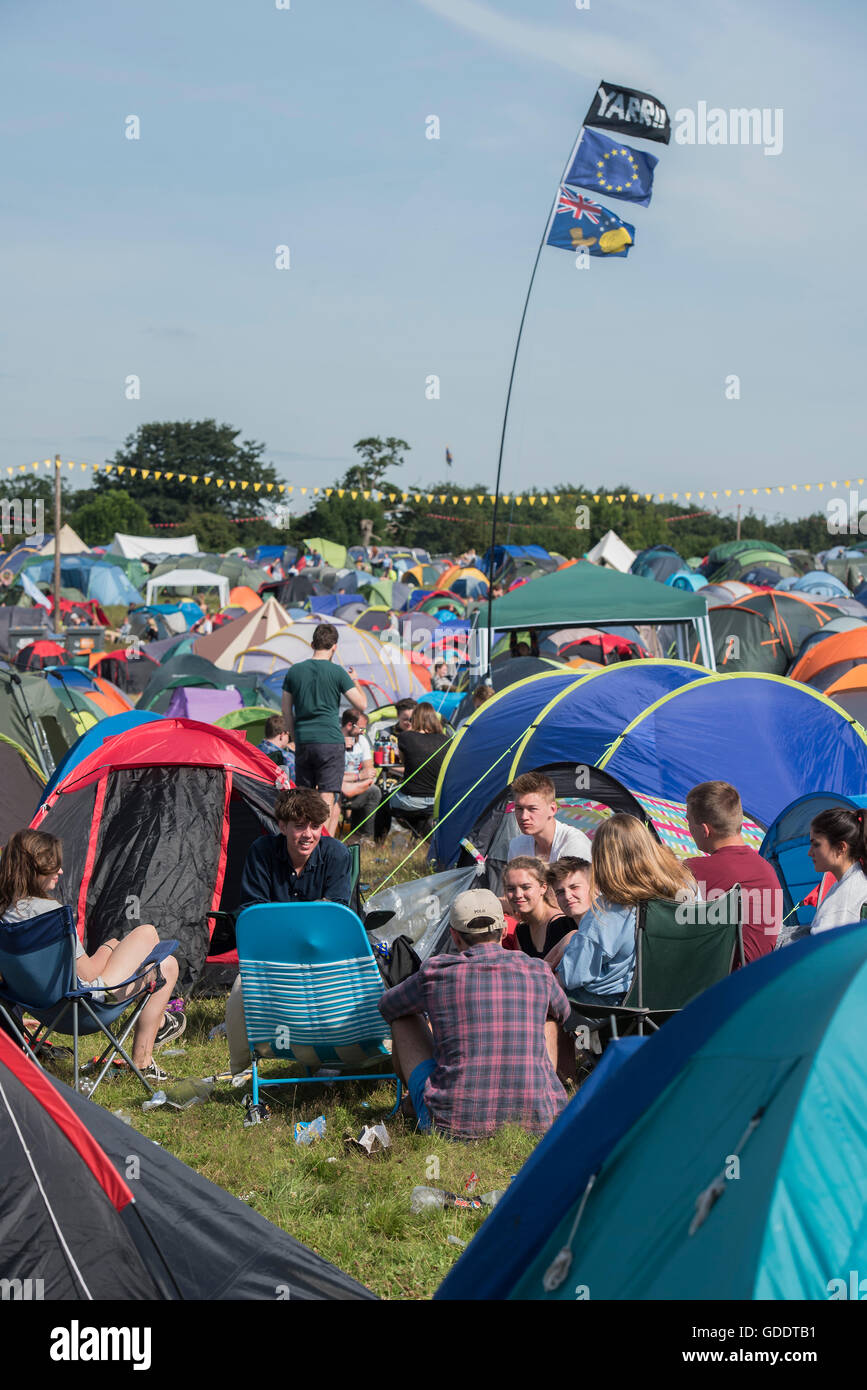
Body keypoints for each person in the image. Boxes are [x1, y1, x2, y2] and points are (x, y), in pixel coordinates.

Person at [378, 889, 571, 1139]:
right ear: (504, 931)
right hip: (538, 1122)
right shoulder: (537, 970)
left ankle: (415, 1104)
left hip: (452, 1124)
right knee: (550, 1017)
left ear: (455, 937)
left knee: (403, 1020)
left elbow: (388, 1007)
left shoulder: (436, 972)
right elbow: (564, 1013)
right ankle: (537, 1101)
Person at [0, 830, 184, 1083]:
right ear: (36, 868)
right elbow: (88, 973)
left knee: (148, 943)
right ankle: (143, 1061)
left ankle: (162, 1024)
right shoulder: (50, 916)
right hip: (84, 1010)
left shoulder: (4, 914)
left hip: (42, 1008)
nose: (61, 871)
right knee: (162, 955)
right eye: (54, 865)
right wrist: (107, 947)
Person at [225, 789, 354, 1074]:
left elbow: (334, 918)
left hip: (323, 958)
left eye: (315, 826)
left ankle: (335, 1057)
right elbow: (252, 914)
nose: (308, 834)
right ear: (282, 826)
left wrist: (285, 919)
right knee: (239, 990)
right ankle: (242, 1070)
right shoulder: (262, 851)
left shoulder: (336, 854)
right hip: (275, 957)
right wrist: (311, 914)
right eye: (299, 825)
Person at [556, 814, 698, 1008]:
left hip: (618, 1006)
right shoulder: (686, 891)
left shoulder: (605, 913)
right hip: (676, 999)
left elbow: (572, 976)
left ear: (603, 861)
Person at [281, 622, 366, 834]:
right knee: (327, 796)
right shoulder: (337, 672)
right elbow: (362, 704)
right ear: (334, 647)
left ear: (312, 644)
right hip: (330, 741)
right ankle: (321, 841)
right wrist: (355, 681)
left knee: (306, 795)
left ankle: (304, 838)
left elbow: (285, 710)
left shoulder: (294, 671)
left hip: (304, 741)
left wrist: (295, 735)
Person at [685, 781, 783, 964]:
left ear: (705, 830)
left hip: (719, 984)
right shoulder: (767, 869)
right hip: (760, 980)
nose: (689, 829)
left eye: (689, 821)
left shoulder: (693, 870)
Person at [804, 807, 867, 937]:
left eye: (816, 844)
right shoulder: (848, 883)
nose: (810, 853)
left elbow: (820, 953)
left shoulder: (844, 900)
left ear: (840, 847)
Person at [503, 856, 578, 962]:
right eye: (511, 889)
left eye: (526, 887)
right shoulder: (521, 930)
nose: (518, 894)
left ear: (543, 888)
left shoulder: (563, 924)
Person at [507, 772, 592, 865]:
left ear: (552, 809)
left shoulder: (574, 843)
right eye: (519, 808)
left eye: (532, 809)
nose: (523, 816)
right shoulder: (517, 845)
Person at [392, 704, 450, 833]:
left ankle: (378, 841)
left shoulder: (405, 737)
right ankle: (425, 832)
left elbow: (403, 761)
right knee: (420, 812)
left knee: (386, 798)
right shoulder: (447, 740)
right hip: (439, 800)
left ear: (415, 719)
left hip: (412, 800)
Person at [339, 709, 382, 839]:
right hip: (338, 786)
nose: (363, 732)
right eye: (362, 728)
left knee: (375, 790)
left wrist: (365, 776)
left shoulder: (361, 740)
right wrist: (358, 776)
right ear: (349, 725)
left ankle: (364, 838)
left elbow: (369, 768)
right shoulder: (335, 741)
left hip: (356, 786)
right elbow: (333, 775)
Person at [257, 714, 296, 780]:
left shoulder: (252, 751)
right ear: (282, 735)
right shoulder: (287, 757)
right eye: (288, 735)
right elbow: (295, 783)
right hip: (279, 789)